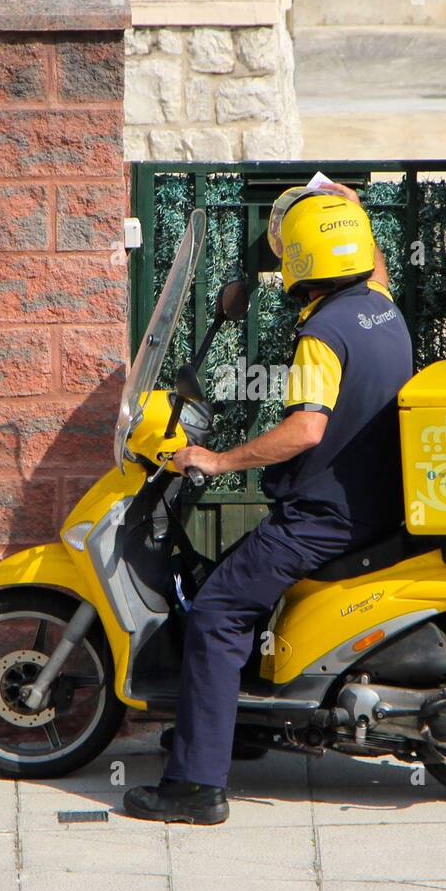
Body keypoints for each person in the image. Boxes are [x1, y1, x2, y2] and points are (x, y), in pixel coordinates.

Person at [123, 180, 413, 825]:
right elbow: (375, 268)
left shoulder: (322, 336)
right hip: (373, 503)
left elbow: (306, 430)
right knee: (239, 581)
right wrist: (355, 215)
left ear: (300, 261)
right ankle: (239, 727)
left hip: (324, 516)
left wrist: (216, 458)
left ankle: (195, 787)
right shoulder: (381, 310)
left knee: (220, 610)